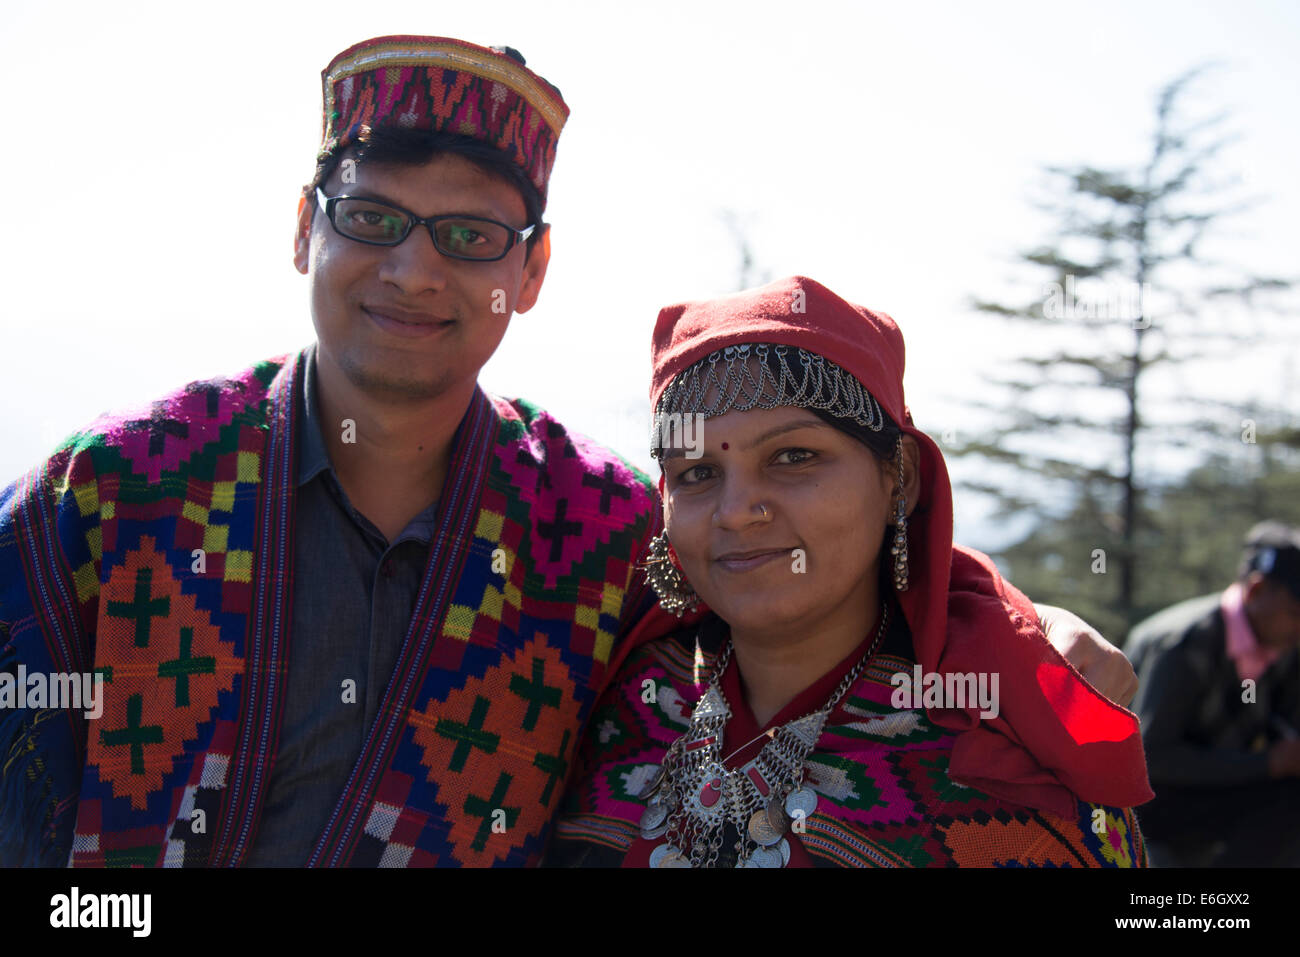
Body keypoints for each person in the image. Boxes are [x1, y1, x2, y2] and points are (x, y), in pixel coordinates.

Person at [0, 35, 1134, 868]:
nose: (412, 272)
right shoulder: (117, 489)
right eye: (372, 219)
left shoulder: (596, 529)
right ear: (306, 227)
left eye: (469, 236)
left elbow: (805, 560)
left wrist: (1015, 621)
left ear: (530, 271)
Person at [548, 277, 1152, 867]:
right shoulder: (611, 698)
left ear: (900, 478)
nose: (735, 511)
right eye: (697, 473)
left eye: (793, 456)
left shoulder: (1004, 771)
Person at [1127, 521, 1300, 867]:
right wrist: (1267, 763)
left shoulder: (1285, 644)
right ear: (1255, 591)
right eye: (1297, 613)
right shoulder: (1183, 643)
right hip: (1147, 805)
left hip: (1224, 791)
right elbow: (1152, 758)